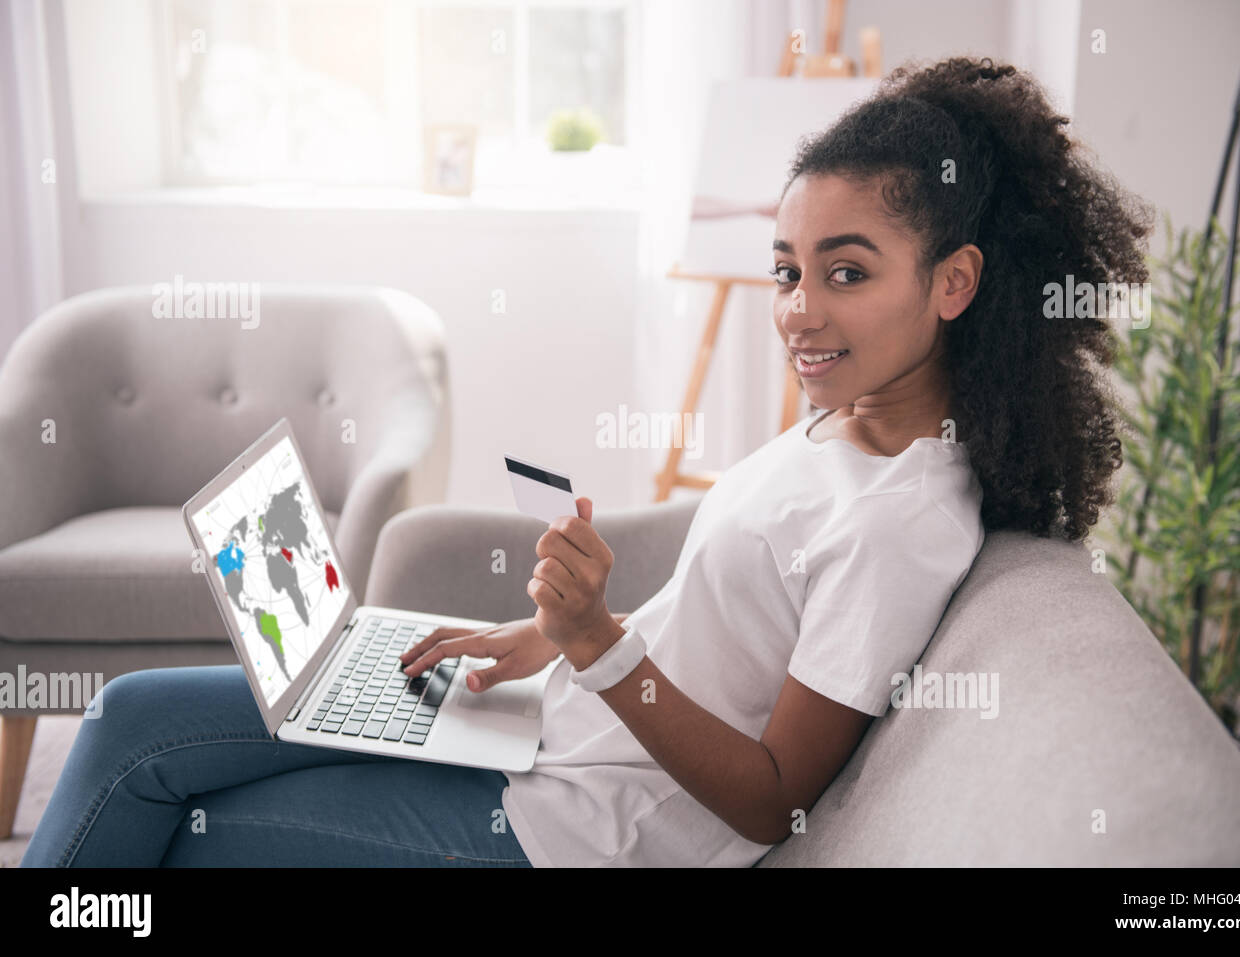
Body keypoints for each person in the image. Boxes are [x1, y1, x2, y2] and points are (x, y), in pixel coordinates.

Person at [22, 55, 1153, 868]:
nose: (800, 311)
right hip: (540, 738)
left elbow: (771, 806)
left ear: (951, 284)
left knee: (172, 822)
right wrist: (534, 646)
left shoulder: (904, 520)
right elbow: (721, 630)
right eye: (786, 270)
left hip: (567, 832)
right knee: (129, 720)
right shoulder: (845, 426)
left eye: (846, 272)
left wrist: (598, 646)